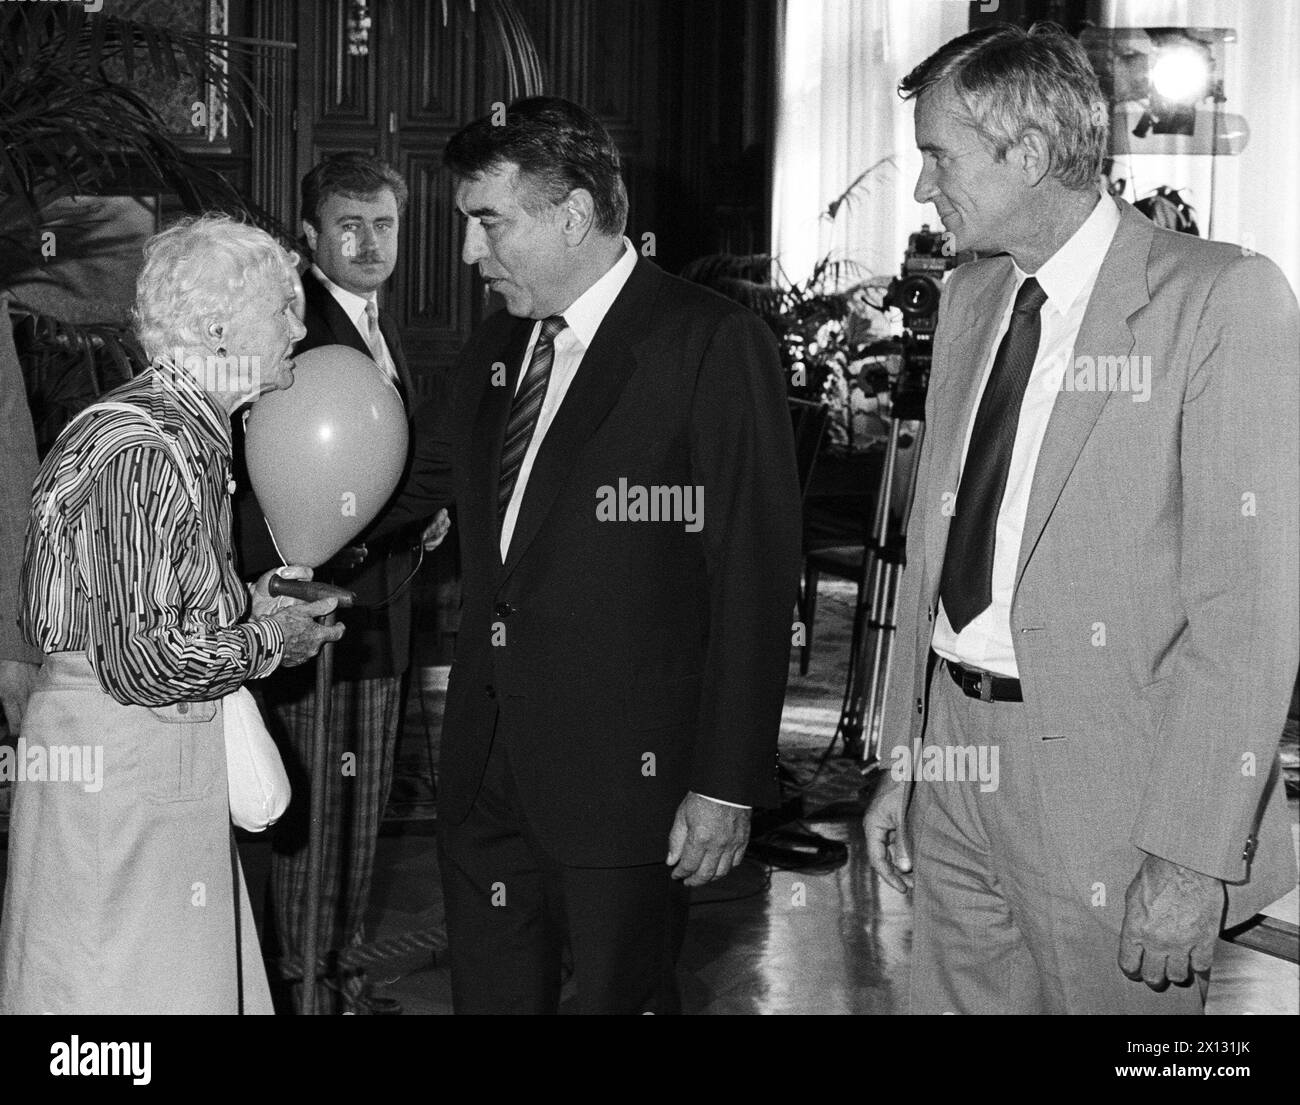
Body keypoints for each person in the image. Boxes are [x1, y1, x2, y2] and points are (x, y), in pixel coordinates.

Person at [864, 23, 1299, 1015]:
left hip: (1120, 789)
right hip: (955, 756)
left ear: (1025, 155)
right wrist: (906, 760)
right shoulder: (973, 296)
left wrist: (1189, 858)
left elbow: (1248, 616)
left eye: (938, 156)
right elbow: (937, 554)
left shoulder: (1221, 298)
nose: (925, 188)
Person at [379, 96, 801, 1014]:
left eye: (488, 223)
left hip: (628, 784)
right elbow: (408, 489)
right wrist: (264, 542)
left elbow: (756, 579)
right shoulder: (500, 343)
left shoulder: (709, 343)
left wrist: (727, 782)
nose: (467, 255)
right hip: (486, 762)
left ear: (572, 213)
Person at [0, 215, 343, 1014]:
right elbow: (142, 661)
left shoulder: (183, 432)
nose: (300, 326)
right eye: (284, 308)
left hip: (148, 779)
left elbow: (154, 617)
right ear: (221, 327)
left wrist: (253, 616)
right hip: (120, 790)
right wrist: (268, 638)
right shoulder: (146, 443)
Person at [232, 153, 447, 1015]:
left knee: (359, 814)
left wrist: (424, 515)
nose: (369, 241)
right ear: (311, 235)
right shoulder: (296, 323)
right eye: (348, 225)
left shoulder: (379, 322)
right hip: (314, 611)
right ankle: (302, 992)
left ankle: (341, 978)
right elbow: (283, 476)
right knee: (313, 819)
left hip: (377, 612)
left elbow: (376, 460)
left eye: (384, 224)